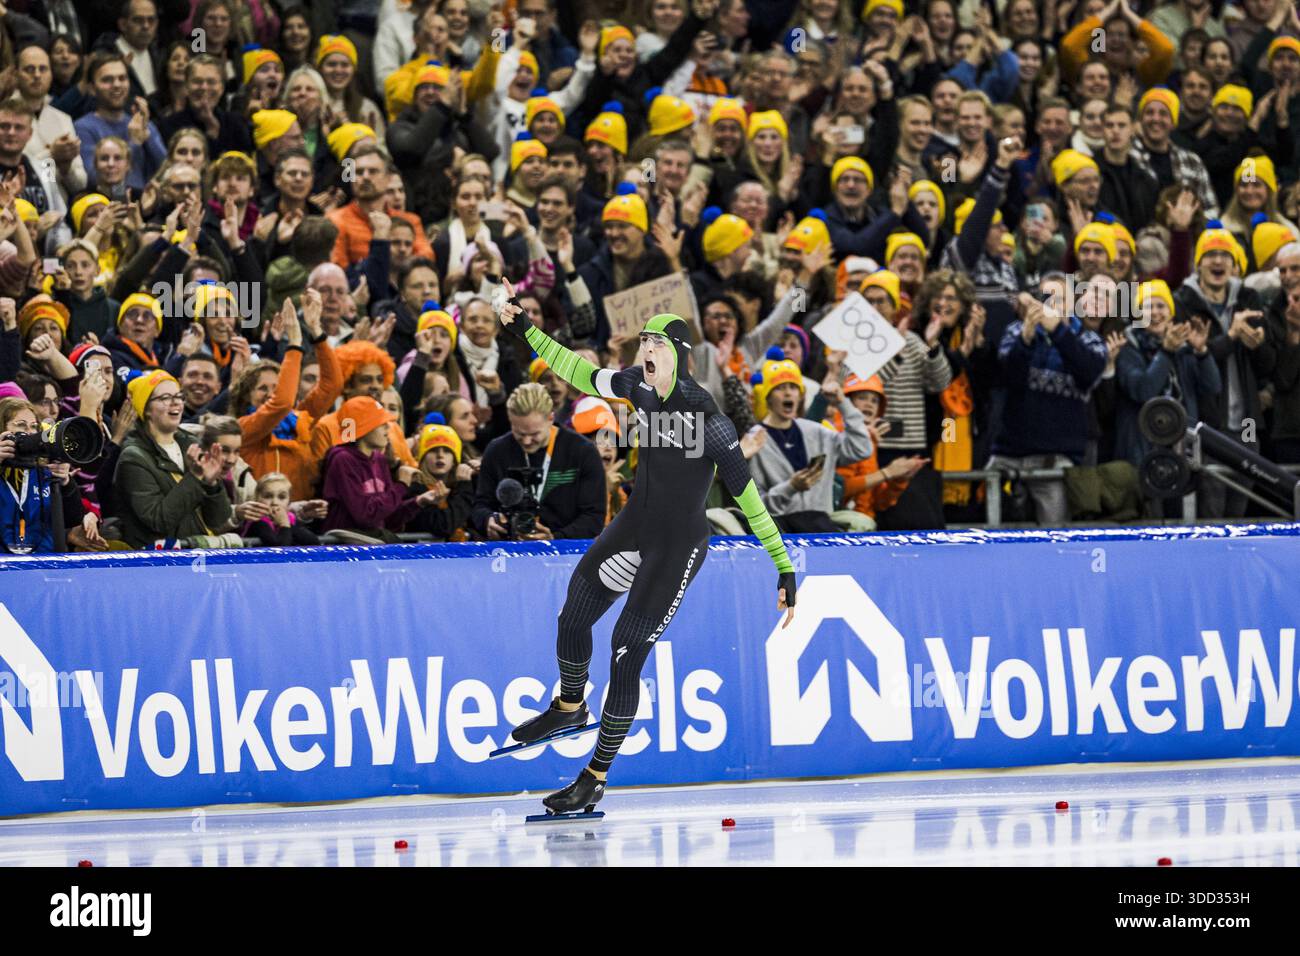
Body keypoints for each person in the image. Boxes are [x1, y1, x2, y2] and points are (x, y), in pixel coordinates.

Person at [495, 275, 798, 816]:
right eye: (643, 344)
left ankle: (594, 776)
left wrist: (784, 568)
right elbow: (577, 370)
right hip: (634, 527)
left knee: (625, 655)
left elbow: (750, 500)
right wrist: (525, 327)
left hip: (677, 548)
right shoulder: (636, 385)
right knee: (572, 617)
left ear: (679, 357)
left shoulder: (711, 421)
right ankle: (568, 705)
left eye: (657, 345)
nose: (646, 351)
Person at [112, 369, 234, 549]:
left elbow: (218, 519)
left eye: (178, 396)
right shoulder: (133, 458)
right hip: (157, 563)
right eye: (165, 398)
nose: (176, 402)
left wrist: (212, 484)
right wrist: (195, 477)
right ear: (146, 410)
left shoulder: (191, 443)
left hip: (196, 552)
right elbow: (158, 520)